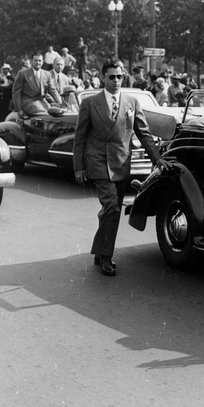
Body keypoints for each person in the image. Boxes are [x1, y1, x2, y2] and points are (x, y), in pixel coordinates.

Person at [73, 60, 172, 276]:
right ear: (103, 78)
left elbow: (144, 133)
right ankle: (107, 257)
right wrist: (78, 167)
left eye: (119, 77)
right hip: (98, 162)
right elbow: (79, 138)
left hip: (120, 164)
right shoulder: (90, 103)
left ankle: (100, 250)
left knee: (111, 212)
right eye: (111, 77)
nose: (116, 81)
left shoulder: (132, 102)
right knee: (111, 208)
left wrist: (157, 159)